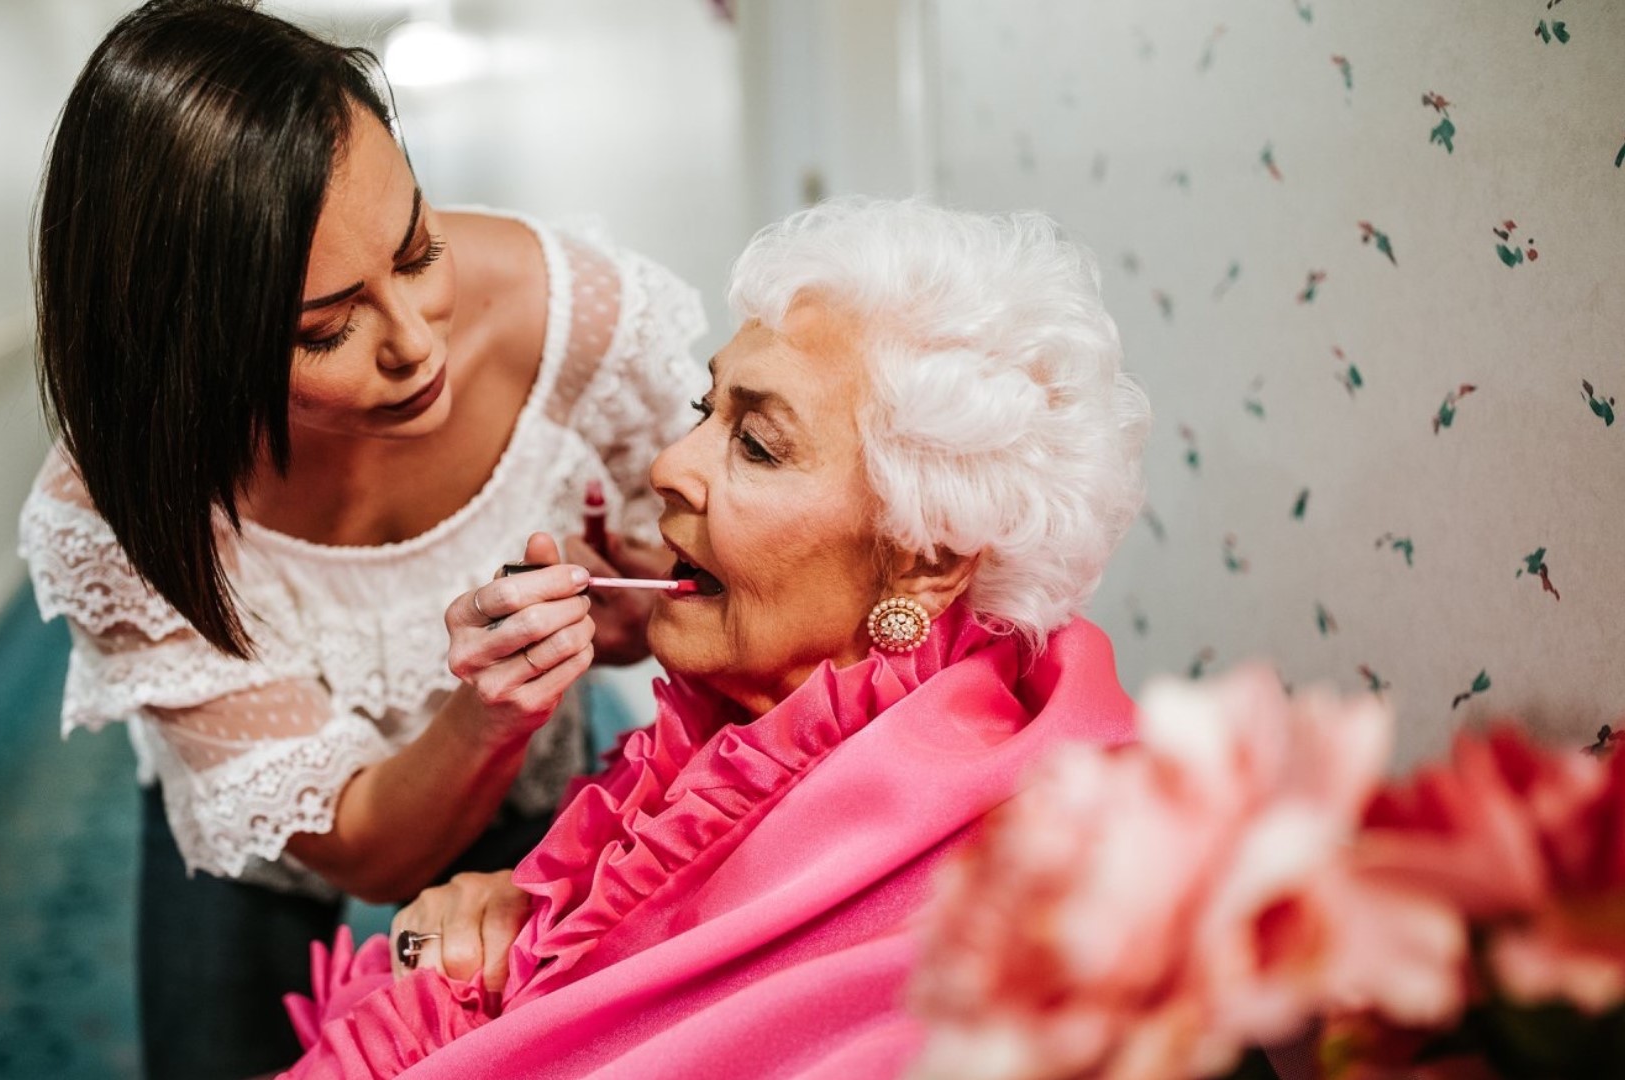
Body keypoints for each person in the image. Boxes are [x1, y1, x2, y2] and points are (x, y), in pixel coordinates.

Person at [274, 198, 1153, 1079]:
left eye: (759, 445)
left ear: (925, 561)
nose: (669, 466)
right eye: (706, 406)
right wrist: (445, 936)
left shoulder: (984, 902)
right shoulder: (712, 742)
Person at [13, 2, 705, 1076]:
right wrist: (488, 706)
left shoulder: (582, 327)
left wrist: (646, 618)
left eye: (417, 248)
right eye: (325, 329)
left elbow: (719, 586)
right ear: (185, 350)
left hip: (526, 789)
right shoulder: (116, 510)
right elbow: (373, 850)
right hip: (274, 840)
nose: (417, 343)